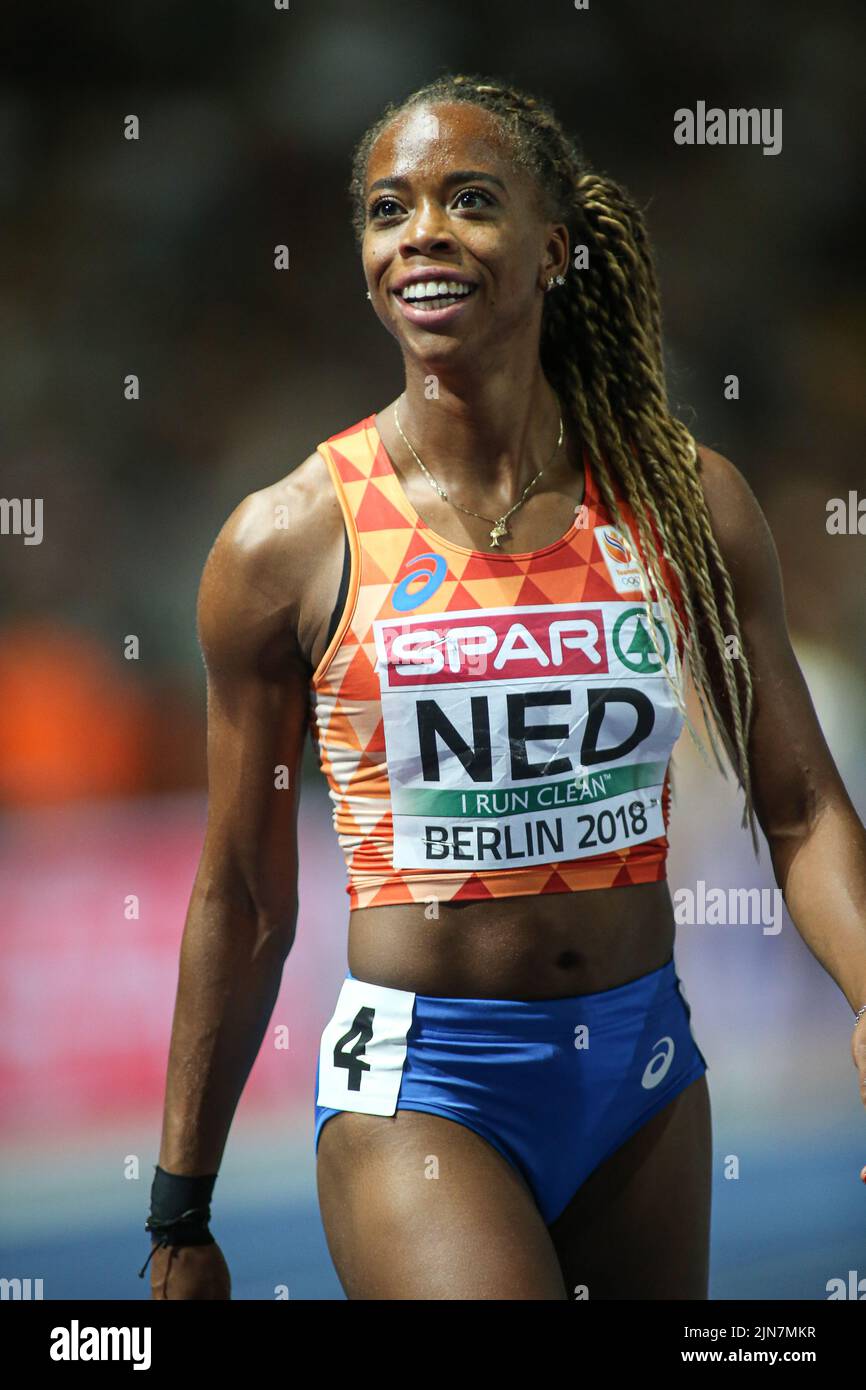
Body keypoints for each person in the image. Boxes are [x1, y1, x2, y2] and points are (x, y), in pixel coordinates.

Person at [142, 75, 866, 1301]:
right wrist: (179, 1209)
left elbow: (796, 809)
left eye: (467, 200)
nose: (420, 230)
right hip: (424, 1092)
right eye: (388, 209)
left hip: (642, 1076)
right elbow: (245, 896)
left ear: (552, 249)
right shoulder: (285, 545)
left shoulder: (684, 506)